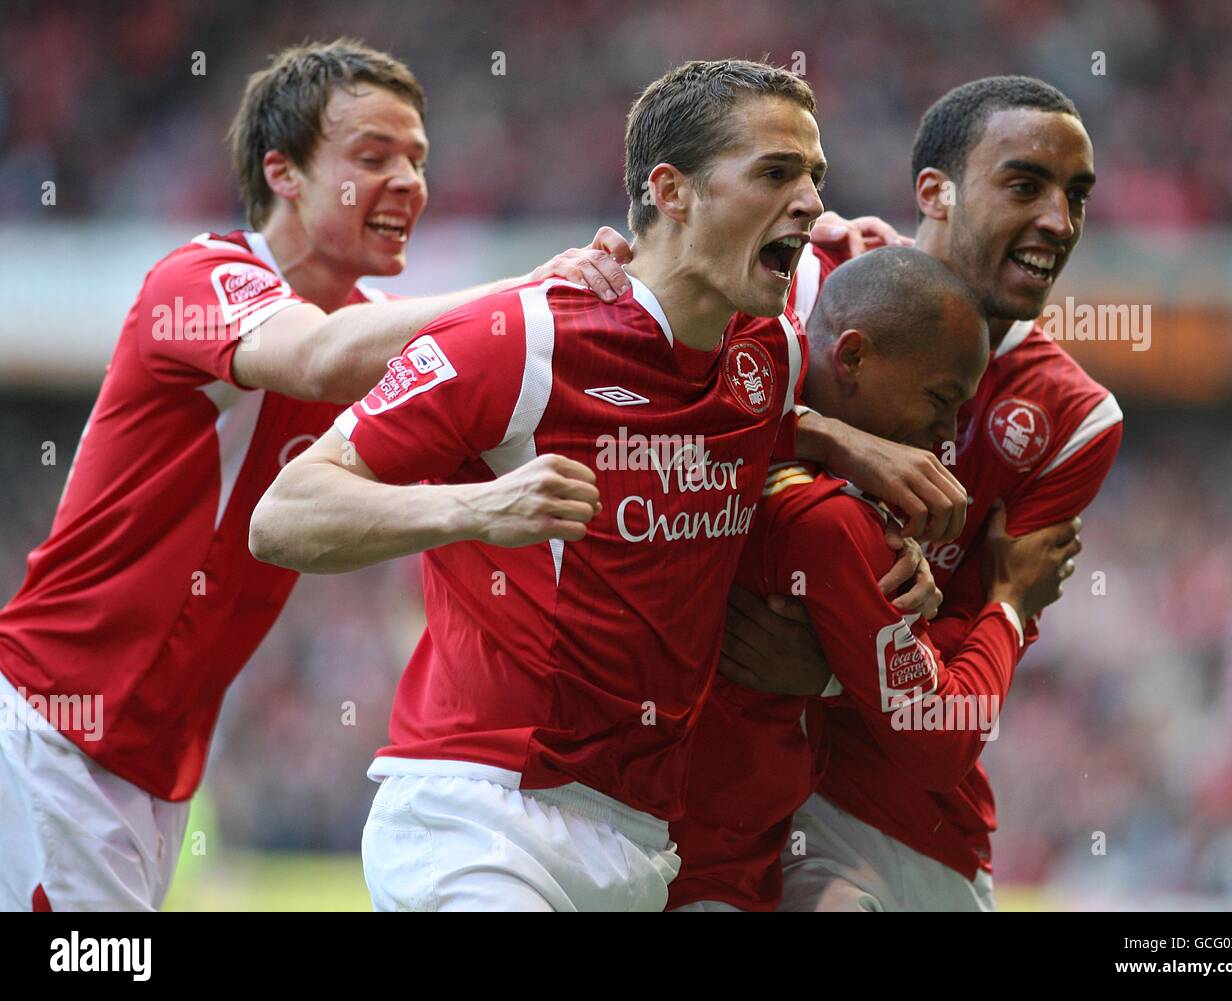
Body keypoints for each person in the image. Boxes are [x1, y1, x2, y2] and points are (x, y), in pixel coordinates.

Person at [250, 58, 966, 912]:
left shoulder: (765, 356)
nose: (811, 201)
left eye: (815, 176)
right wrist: (473, 506)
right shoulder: (523, 335)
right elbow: (284, 511)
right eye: (776, 173)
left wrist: (856, 461)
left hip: (640, 842)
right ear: (671, 190)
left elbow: (758, 454)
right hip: (482, 812)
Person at [0, 37, 632, 913]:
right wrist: (526, 291)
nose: (408, 181)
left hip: (150, 764)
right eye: (372, 157)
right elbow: (317, 357)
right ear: (284, 174)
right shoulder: (206, 278)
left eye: (417, 158)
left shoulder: (383, 334)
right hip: (51, 732)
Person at [721, 75, 1124, 911]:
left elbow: (974, 637)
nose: (1059, 220)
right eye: (1025, 185)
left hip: (911, 821)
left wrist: (834, 671)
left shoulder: (1075, 416)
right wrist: (835, 438)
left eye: (1076, 195)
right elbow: (679, 444)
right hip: (732, 796)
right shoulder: (806, 279)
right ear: (934, 192)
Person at [666, 248, 1082, 910]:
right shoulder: (830, 522)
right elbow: (943, 731)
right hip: (712, 866)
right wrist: (1008, 602)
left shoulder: (719, 435)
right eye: (942, 400)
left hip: (670, 839)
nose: (947, 437)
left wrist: (826, 437)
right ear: (852, 358)